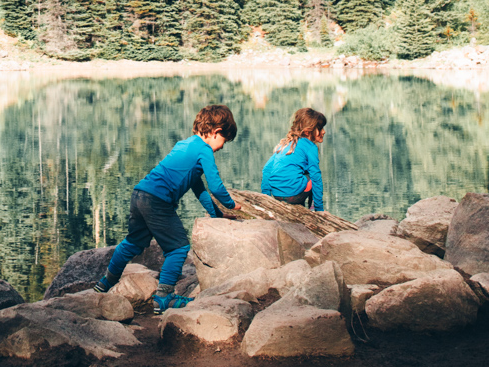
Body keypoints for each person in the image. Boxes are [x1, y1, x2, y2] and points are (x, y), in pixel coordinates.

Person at [94, 104, 242, 315]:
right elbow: (216, 187)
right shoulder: (204, 150)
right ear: (216, 132)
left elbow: (198, 186)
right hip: (157, 201)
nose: (222, 147)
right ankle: (164, 298)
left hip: (140, 194)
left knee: (133, 242)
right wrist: (231, 204)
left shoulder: (184, 144)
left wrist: (216, 214)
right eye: (224, 141)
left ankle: (105, 283)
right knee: (178, 248)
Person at [261, 107, 327, 211]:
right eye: (320, 128)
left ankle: (301, 208)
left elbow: (266, 170)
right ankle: (314, 208)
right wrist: (320, 210)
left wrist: (266, 198)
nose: (324, 131)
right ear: (307, 131)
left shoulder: (285, 144)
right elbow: (316, 178)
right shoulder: (310, 147)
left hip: (277, 195)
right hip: (294, 195)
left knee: (301, 174)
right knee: (312, 176)